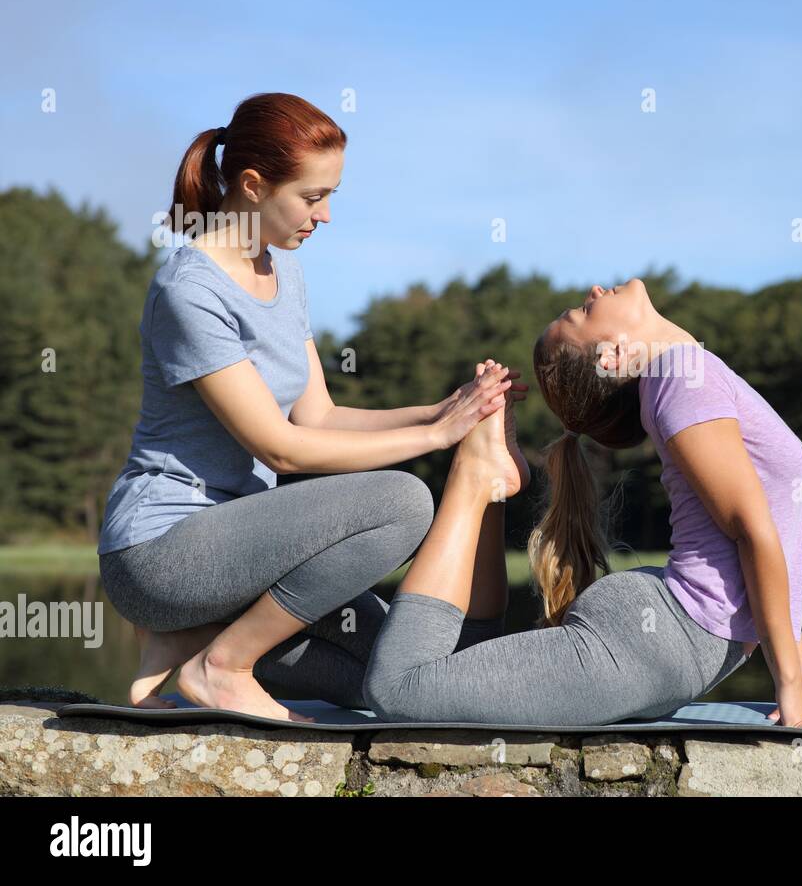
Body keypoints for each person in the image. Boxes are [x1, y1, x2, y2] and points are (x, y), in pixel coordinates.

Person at [96, 92, 523, 721]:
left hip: (243, 563)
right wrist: (435, 440)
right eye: (312, 196)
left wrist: (441, 412)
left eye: (331, 197)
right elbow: (280, 447)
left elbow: (317, 416)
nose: (323, 217)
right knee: (401, 502)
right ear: (251, 185)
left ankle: (195, 645)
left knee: (399, 673)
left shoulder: (284, 271)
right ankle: (223, 665)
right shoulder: (189, 289)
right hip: (164, 552)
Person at [361, 278, 802, 733]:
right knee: (399, 688)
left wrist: (801, 682)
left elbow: (771, 531)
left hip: (665, 636)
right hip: (656, 641)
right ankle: (475, 475)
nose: (594, 293)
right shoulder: (681, 374)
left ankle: (322, 620)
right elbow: (750, 527)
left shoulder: (689, 373)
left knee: (454, 674)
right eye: (582, 314)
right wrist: (789, 682)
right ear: (611, 356)